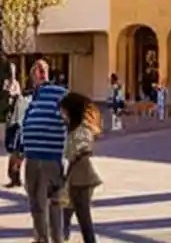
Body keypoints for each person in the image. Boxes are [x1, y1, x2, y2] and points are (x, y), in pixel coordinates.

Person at [21, 59, 67, 243]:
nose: (39, 73)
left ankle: (47, 239)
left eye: (41, 70)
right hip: (38, 157)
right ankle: (46, 238)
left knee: (44, 203)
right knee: (45, 202)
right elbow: (23, 125)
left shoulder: (58, 93)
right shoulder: (34, 98)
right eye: (37, 70)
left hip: (45, 158)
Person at [59, 92, 103, 243]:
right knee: (64, 215)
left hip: (82, 177)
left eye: (63, 110)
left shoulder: (82, 128)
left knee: (83, 218)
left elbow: (83, 149)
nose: (62, 114)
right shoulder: (72, 128)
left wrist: (70, 167)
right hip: (74, 177)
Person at [3, 77, 30, 187]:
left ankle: (15, 178)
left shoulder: (20, 101)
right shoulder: (13, 102)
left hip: (17, 131)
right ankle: (16, 179)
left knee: (16, 157)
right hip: (14, 130)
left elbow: (18, 120)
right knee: (16, 156)